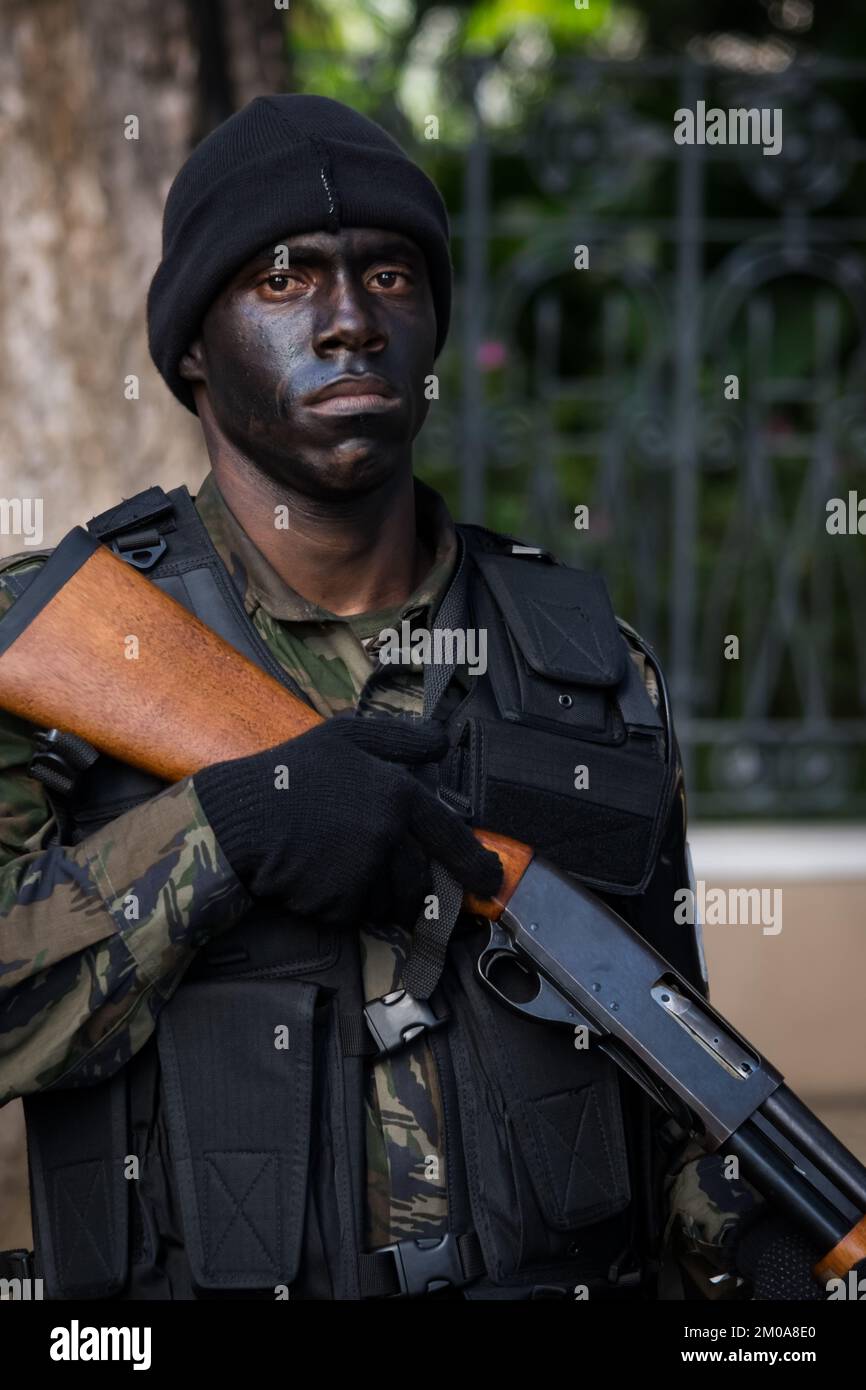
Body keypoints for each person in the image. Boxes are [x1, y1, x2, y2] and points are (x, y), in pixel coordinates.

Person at [0, 94, 822, 1301]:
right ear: (188, 346)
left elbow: (660, 1079)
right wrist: (223, 831)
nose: (346, 322)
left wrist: (748, 1247)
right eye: (284, 281)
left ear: (430, 322)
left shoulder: (591, 666)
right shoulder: (61, 643)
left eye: (388, 274)